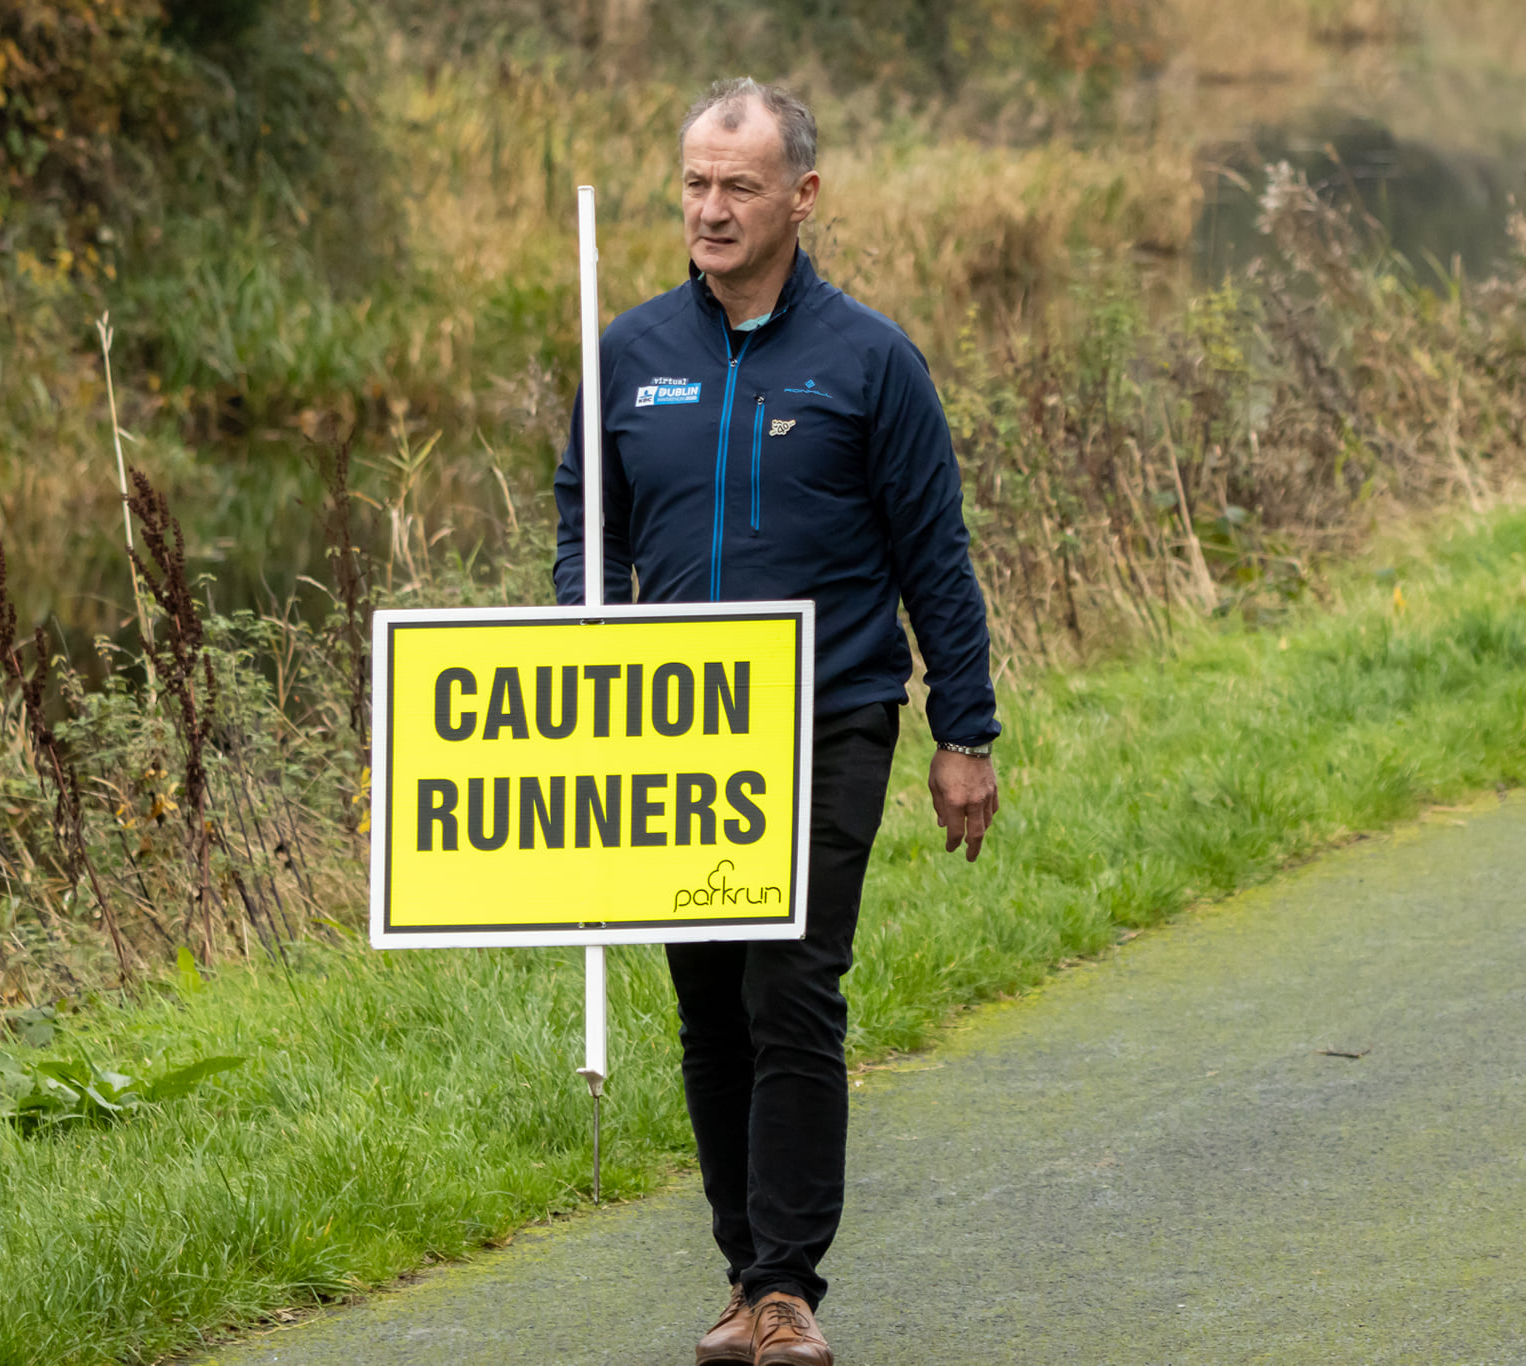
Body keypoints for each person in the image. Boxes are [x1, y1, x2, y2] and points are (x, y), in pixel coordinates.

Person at [554, 77, 999, 1366]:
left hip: (832, 718)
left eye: (738, 185)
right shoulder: (629, 356)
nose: (710, 207)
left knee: (793, 988)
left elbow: (937, 558)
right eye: (695, 182)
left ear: (801, 196)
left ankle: (789, 1286)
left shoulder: (871, 361)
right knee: (710, 1006)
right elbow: (589, 536)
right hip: (680, 739)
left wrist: (963, 734)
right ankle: (744, 1275)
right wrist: (580, 658)